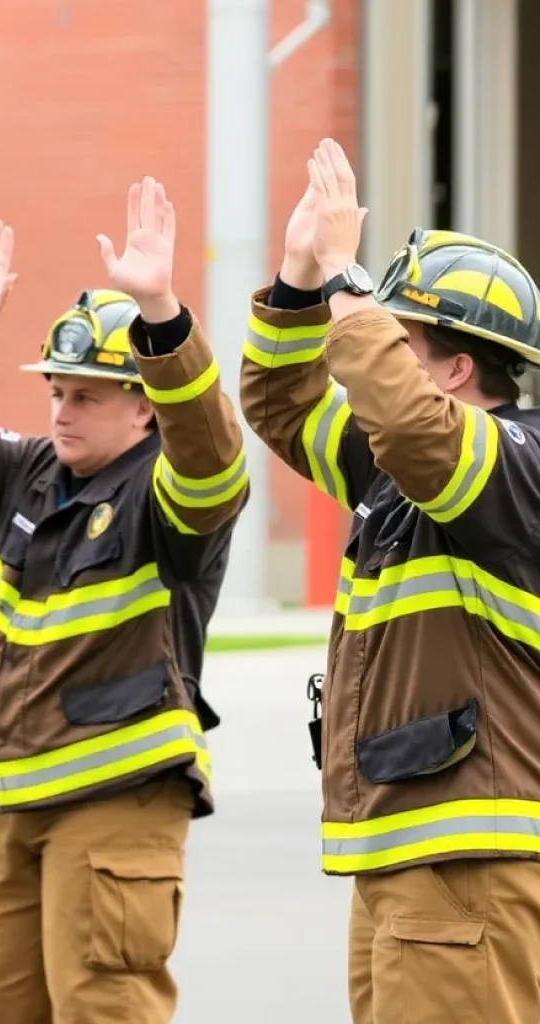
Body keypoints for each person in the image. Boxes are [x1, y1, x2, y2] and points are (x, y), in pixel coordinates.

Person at [0, 176, 248, 1023]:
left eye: (85, 395)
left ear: (145, 409)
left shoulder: (169, 498)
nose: (62, 409)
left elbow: (213, 455)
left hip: (116, 798)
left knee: (103, 1009)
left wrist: (161, 315)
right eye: (55, 390)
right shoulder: (29, 472)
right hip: (13, 798)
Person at [241, 137, 540, 1023]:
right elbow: (282, 403)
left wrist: (348, 280)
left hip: (474, 857)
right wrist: (299, 281)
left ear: (456, 369)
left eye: (393, 338)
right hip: (409, 854)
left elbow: (418, 433)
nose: (358, 352)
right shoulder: (399, 468)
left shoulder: (512, 460)